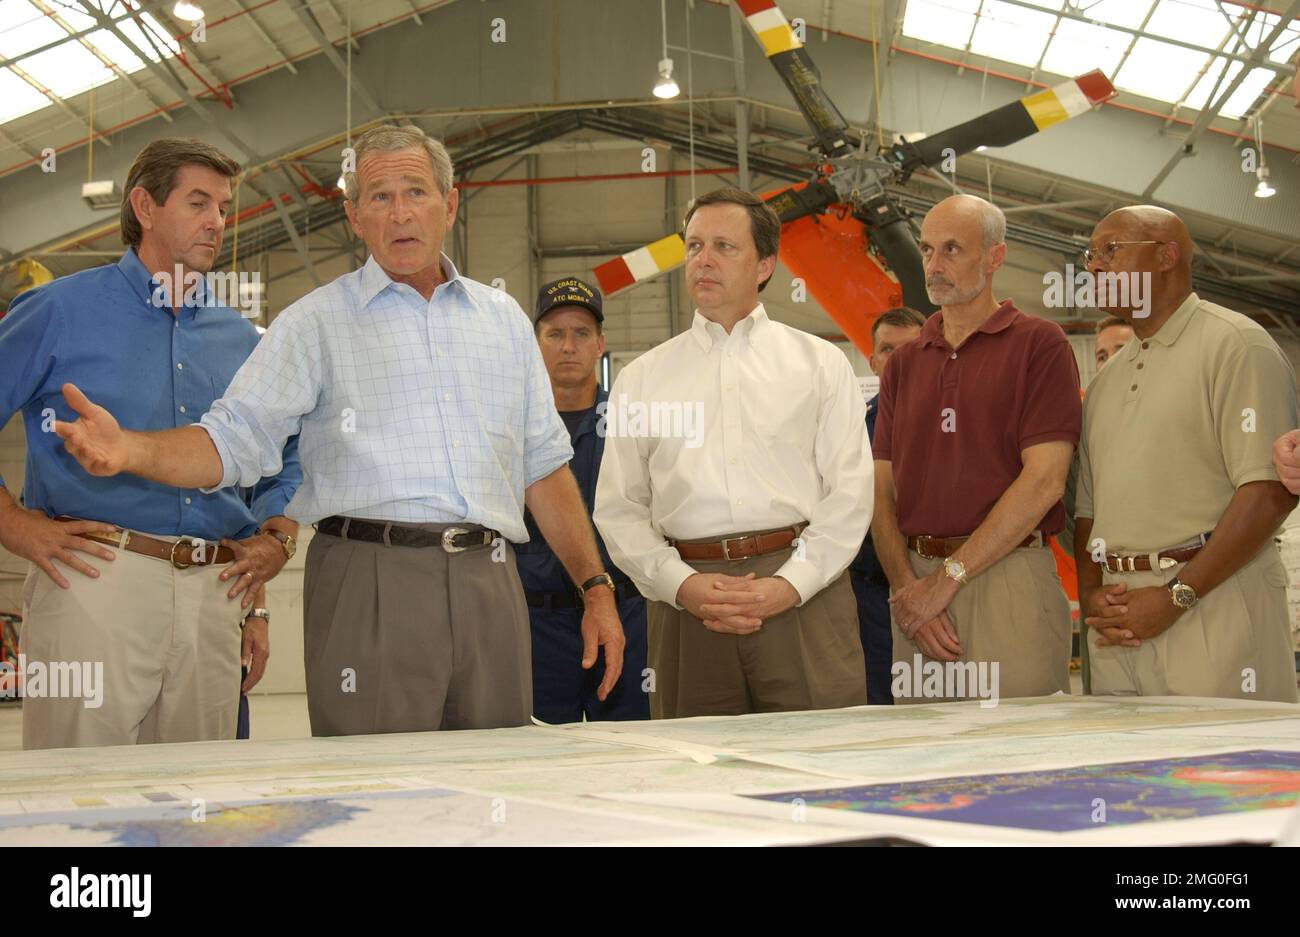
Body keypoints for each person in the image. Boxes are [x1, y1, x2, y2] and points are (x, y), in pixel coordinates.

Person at [53, 123, 625, 736]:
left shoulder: (504, 320)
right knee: (375, 794)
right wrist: (130, 448)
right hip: (368, 579)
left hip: (491, 580)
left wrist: (595, 588)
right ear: (354, 216)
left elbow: (543, 466)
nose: (400, 213)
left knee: (494, 786)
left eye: (416, 192)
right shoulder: (314, 324)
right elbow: (235, 438)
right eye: (379, 198)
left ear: (450, 204)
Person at [0, 137, 300, 749]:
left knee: (201, 811)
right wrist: (16, 527)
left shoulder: (242, 339)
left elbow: (276, 464)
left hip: (216, 593)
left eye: (222, 206)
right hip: (93, 580)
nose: (217, 221)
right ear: (144, 205)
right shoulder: (56, 310)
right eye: (198, 203)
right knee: (78, 796)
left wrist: (273, 551)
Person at [594, 187, 872, 718]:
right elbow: (619, 508)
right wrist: (682, 585)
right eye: (694, 245)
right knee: (698, 778)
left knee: (825, 766)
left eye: (724, 246)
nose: (704, 259)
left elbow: (851, 495)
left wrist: (791, 584)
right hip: (687, 602)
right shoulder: (641, 379)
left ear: (765, 264)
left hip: (803, 596)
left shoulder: (820, 364)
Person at [1076, 206, 1298, 702]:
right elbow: (1088, 512)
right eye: (1091, 255)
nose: (1094, 266)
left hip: (1213, 607)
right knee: (1127, 777)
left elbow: (1267, 491)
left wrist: (1177, 595)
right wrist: (1093, 595)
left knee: (1229, 773)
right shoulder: (1108, 380)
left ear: (1166, 256)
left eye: (1111, 250)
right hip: (1118, 622)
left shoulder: (1238, 345)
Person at [873, 194, 1080, 702]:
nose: (933, 266)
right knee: (924, 761)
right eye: (925, 250)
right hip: (917, 591)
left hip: (1007, 578)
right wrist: (906, 589)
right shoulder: (904, 364)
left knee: (1020, 753)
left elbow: (1045, 481)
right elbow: (880, 492)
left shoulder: (1040, 345)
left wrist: (947, 580)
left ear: (994, 257)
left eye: (951, 250)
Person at [520, 277, 648, 723]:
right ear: (536, 344)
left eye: (581, 333)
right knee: (540, 762)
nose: (568, 346)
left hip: (627, 615)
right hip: (537, 624)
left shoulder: (634, 423)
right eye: (555, 334)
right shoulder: (510, 431)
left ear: (600, 345)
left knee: (632, 753)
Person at [852, 307, 925, 704]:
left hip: (945, 585)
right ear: (873, 361)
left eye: (909, 349)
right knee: (880, 706)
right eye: (887, 350)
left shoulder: (956, 420)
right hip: (872, 598)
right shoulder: (849, 429)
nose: (897, 360)